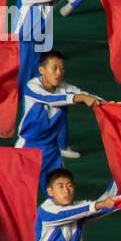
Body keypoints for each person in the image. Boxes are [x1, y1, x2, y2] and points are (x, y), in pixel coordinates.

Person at [16, 51, 106, 188]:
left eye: (62, 69)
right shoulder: (32, 87)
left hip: (52, 151)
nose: (59, 73)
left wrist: (111, 104)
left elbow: (86, 95)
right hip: (27, 149)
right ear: (42, 70)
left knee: (61, 192)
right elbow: (50, 99)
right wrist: (80, 98)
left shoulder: (64, 88)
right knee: (20, 193)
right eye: (54, 68)